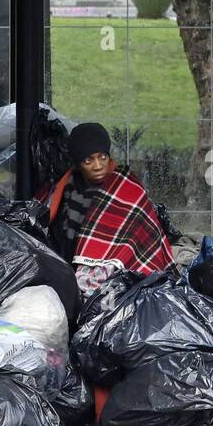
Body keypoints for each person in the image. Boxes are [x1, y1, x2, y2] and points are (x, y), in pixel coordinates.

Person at [39, 122, 174, 297]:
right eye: (88, 161)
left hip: (125, 275)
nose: (97, 166)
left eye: (102, 157)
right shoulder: (67, 190)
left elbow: (140, 240)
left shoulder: (127, 188)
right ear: (78, 163)